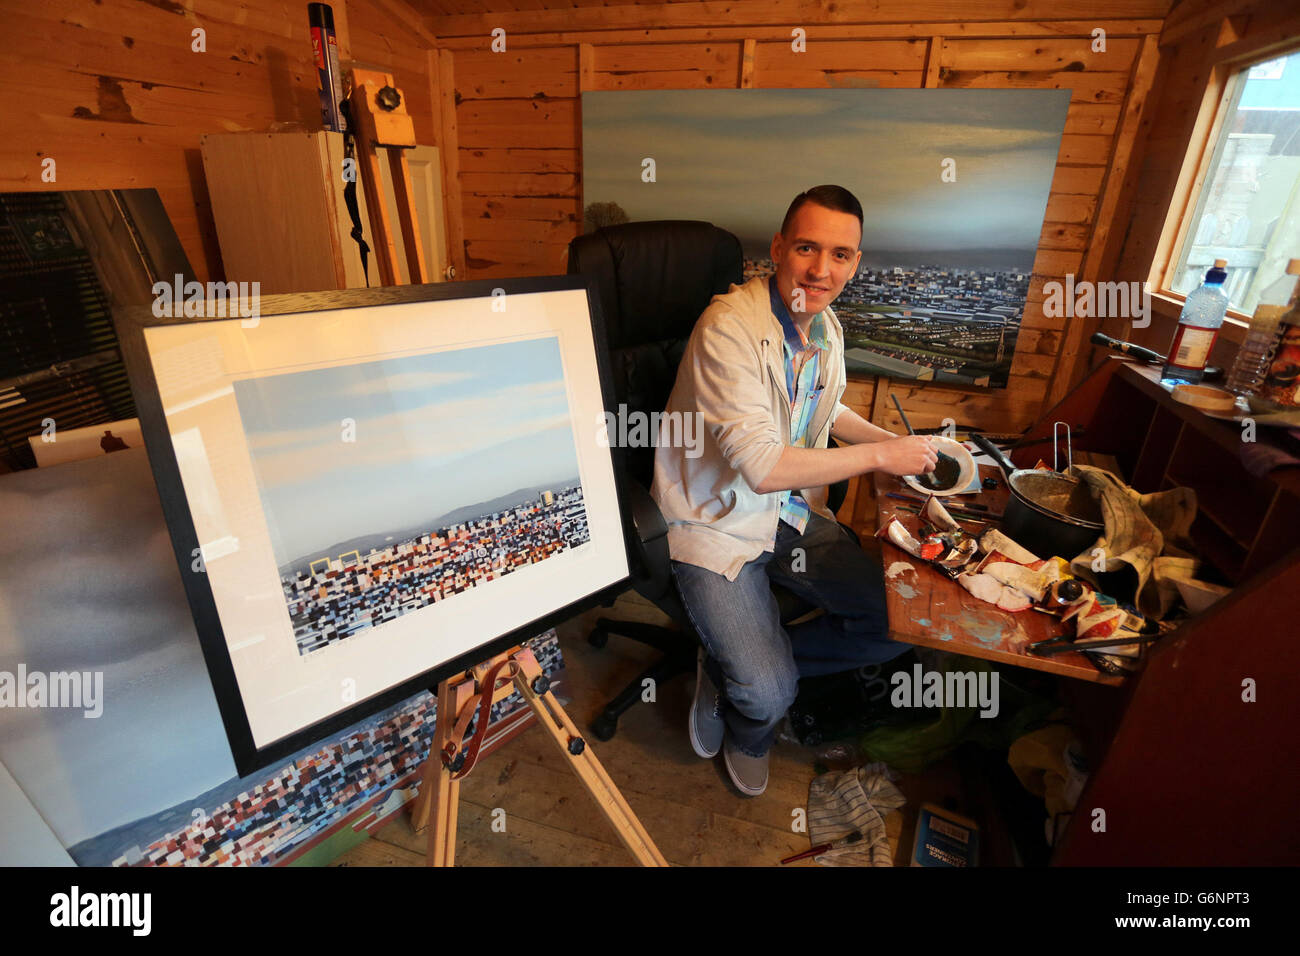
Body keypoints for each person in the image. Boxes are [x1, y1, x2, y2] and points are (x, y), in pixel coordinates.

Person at [649, 185, 939, 796]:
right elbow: (759, 466)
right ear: (779, 248)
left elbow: (826, 413)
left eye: (841, 254)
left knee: (897, 625)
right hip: (718, 520)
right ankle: (751, 712)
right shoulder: (727, 329)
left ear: (856, 262)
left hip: (789, 515)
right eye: (807, 248)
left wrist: (899, 449)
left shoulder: (824, 327)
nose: (821, 269)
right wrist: (883, 456)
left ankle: (732, 666)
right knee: (770, 692)